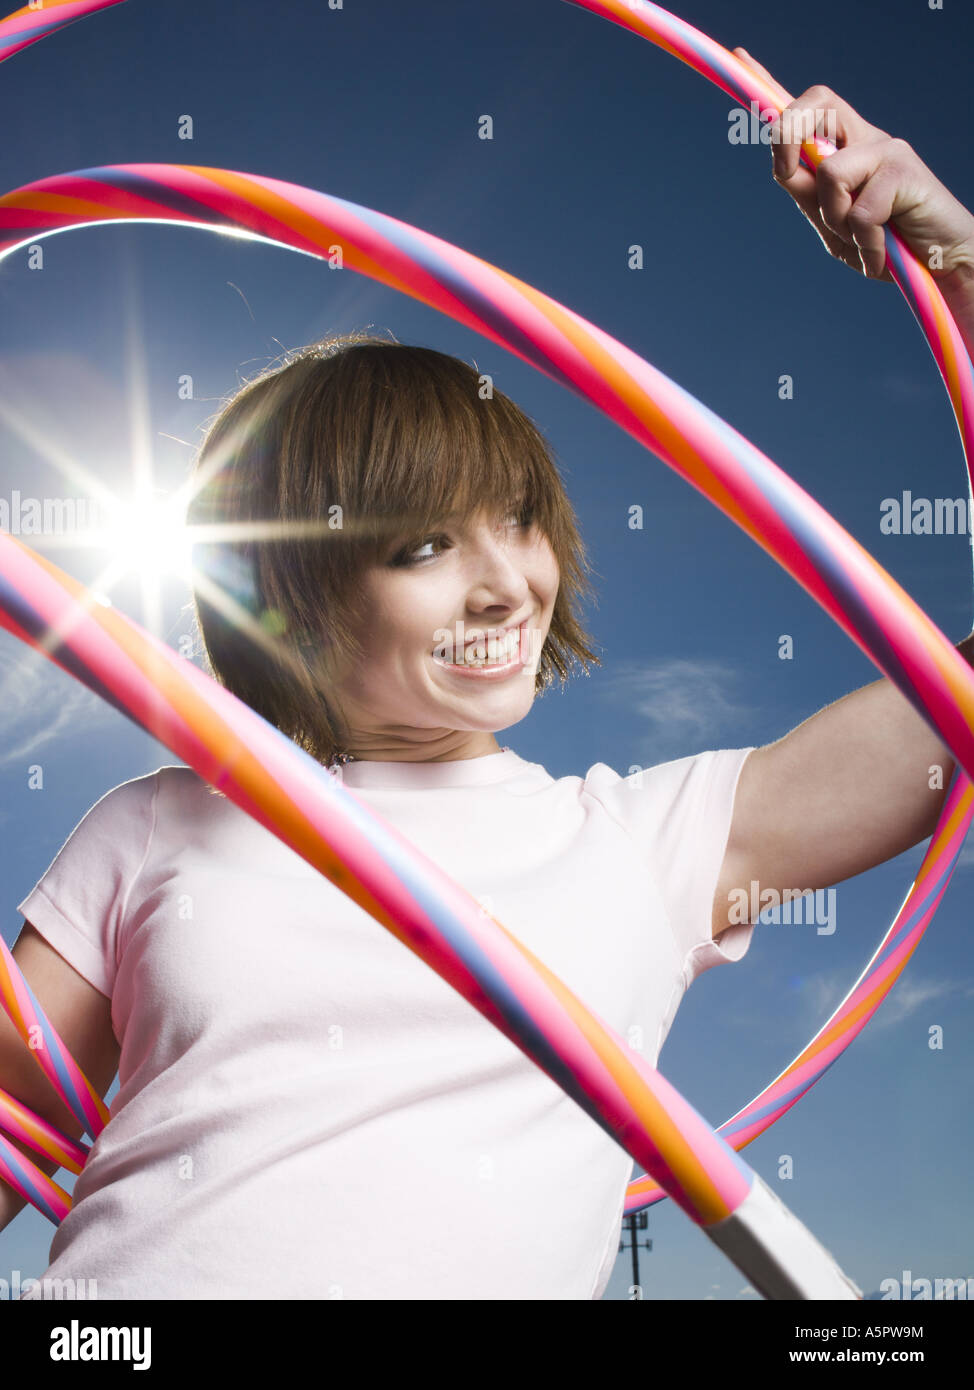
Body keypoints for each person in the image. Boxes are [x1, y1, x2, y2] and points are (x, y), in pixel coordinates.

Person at [2, 74, 973, 1300]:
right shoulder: (153, 824)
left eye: (519, 523)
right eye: (421, 546)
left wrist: (953, 260)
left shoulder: (644, 844)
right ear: (296, 593)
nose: (507, 586)